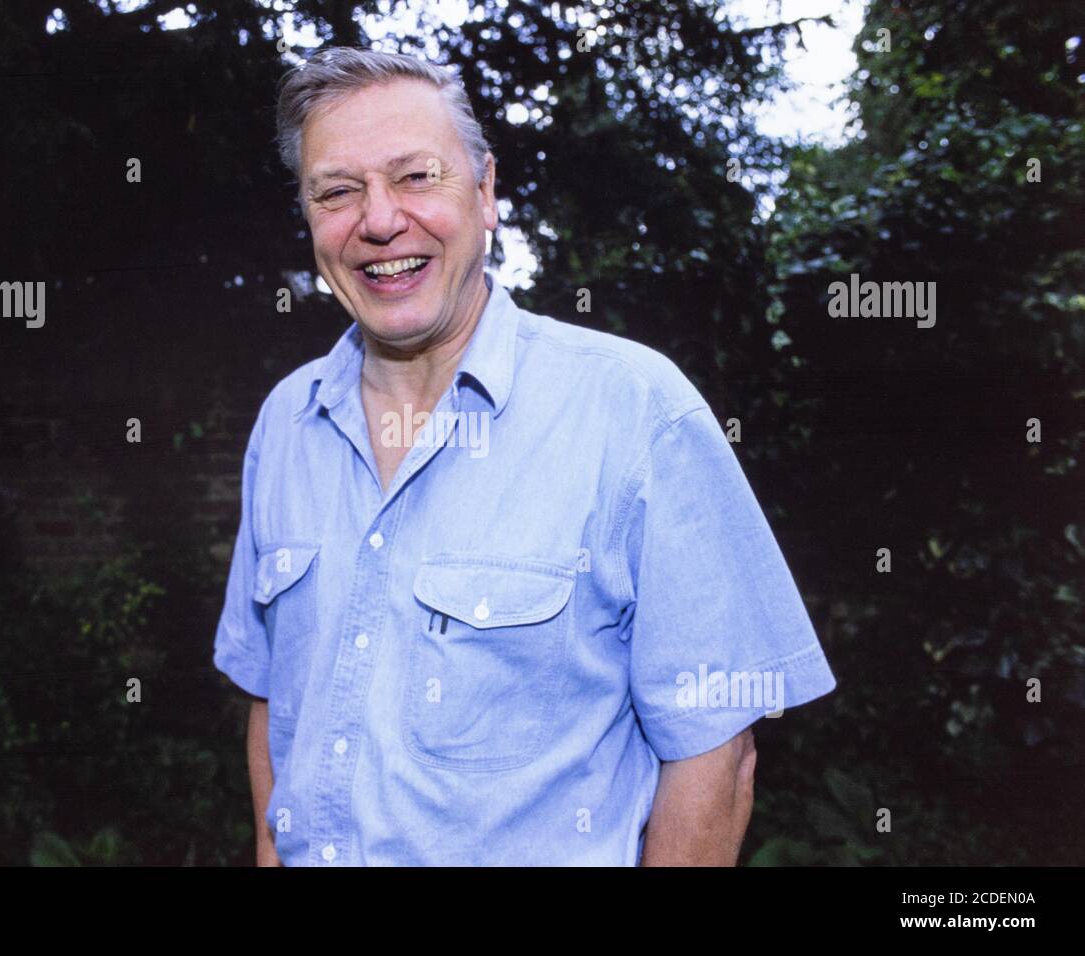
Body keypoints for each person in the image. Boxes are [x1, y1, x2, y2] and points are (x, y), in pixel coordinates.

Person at [212, 46, 836, 866]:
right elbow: (273, 700)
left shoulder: (634, 410)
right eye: (337, 191)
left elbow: (716, 754)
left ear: (486, 191)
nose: (379, 220)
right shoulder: (286, 421)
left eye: (415, 176)